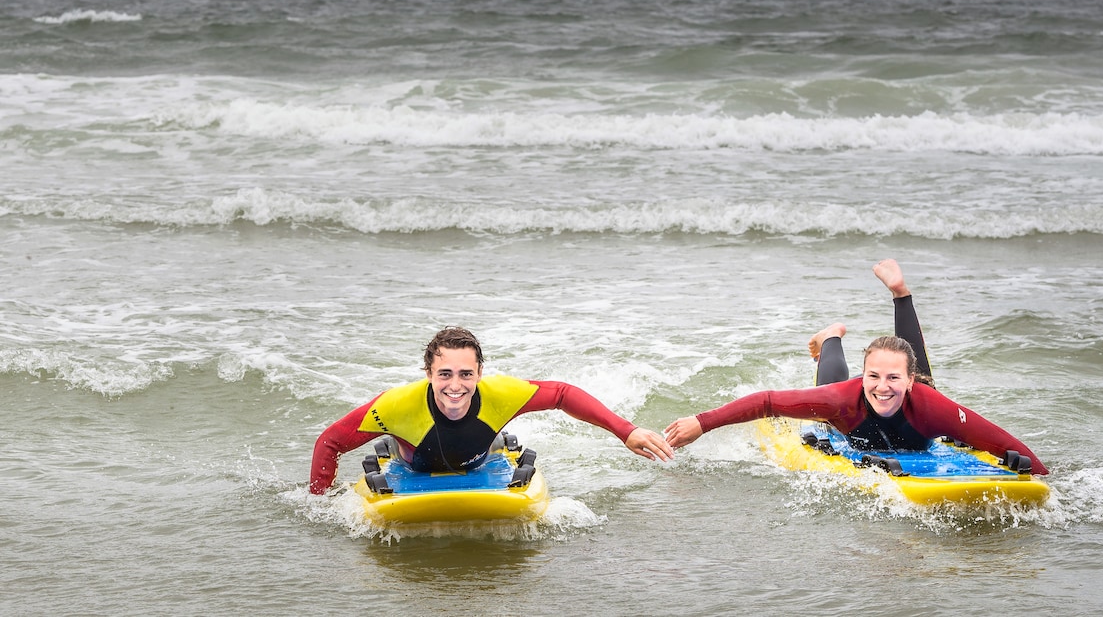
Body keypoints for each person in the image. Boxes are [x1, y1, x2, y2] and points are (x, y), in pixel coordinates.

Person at [665, 259, 1048, 474]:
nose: (882, 386)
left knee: (925, 383)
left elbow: (1001, 441)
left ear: (907, 383)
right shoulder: (843, 399)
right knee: (827, 403)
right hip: (847, 421)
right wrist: (701, 422)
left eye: (894, 378)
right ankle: (831, 336)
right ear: (863, 376)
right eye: (873, 376)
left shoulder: (931, 406)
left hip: (918, 396)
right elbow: (767, 402)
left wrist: (1043, 480)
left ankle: (901, 294)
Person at [309, 326, 674, 494]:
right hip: (411, 463)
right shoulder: (395, 405)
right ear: (428, 374)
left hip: (480, 458)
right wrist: (320, 503)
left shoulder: (501, 393)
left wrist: (626, 431)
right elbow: (330, 442)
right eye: (445, 374)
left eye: (466, 374)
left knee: (487, 436)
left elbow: (562, 394)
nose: (456, 385)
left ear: (480, 373)